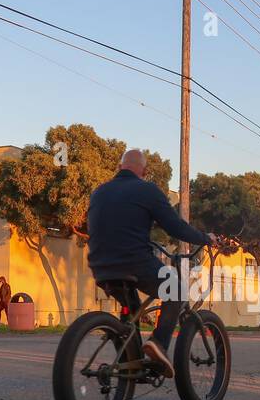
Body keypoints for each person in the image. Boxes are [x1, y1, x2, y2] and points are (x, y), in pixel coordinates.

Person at [87, 148, 217, 378]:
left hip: (100, 266)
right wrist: (206, 238)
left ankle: (131, 362)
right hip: (133, 263)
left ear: (119, 167)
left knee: (131, 310)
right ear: (145, 171)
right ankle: (158, 343)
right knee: (176, 290)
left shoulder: (99, 192)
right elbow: (176, 227)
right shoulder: (147, 190)